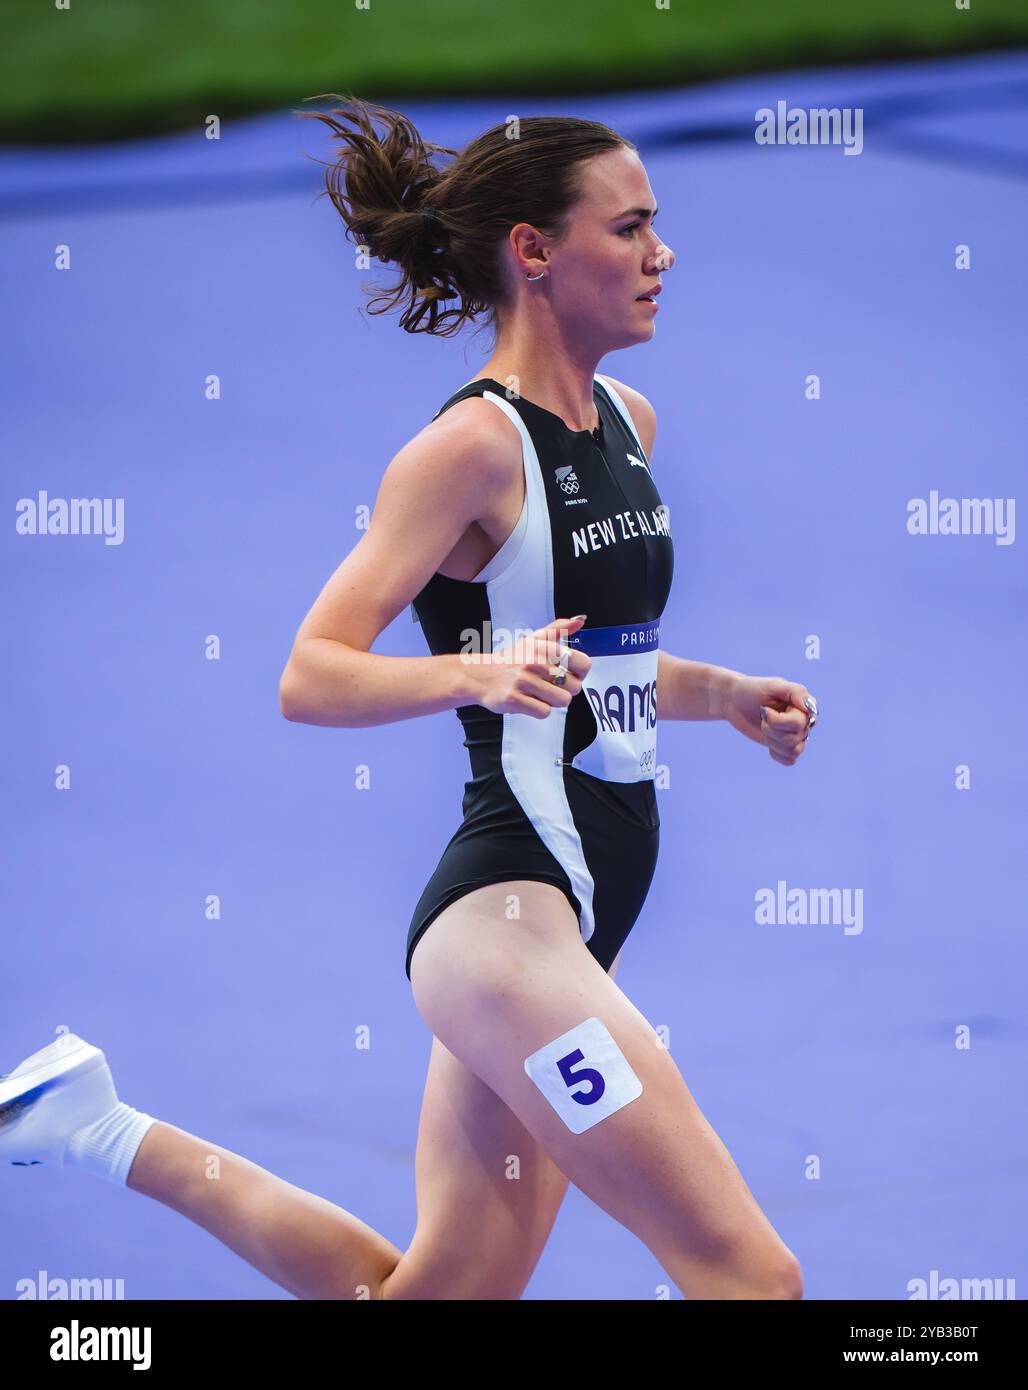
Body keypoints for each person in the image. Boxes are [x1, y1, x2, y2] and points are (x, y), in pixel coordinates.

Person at [1, 99, 819, 1301]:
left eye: (658, 227)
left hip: (574, 922)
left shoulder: (627, 426)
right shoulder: (468, 450)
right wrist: (474, 672)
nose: (662, 254)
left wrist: (728, 693)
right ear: (533, 251)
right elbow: (312, 670)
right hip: (503, 936)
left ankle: (94, 1123)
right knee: (751, 1280)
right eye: (631, 227)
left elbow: (604, 670)